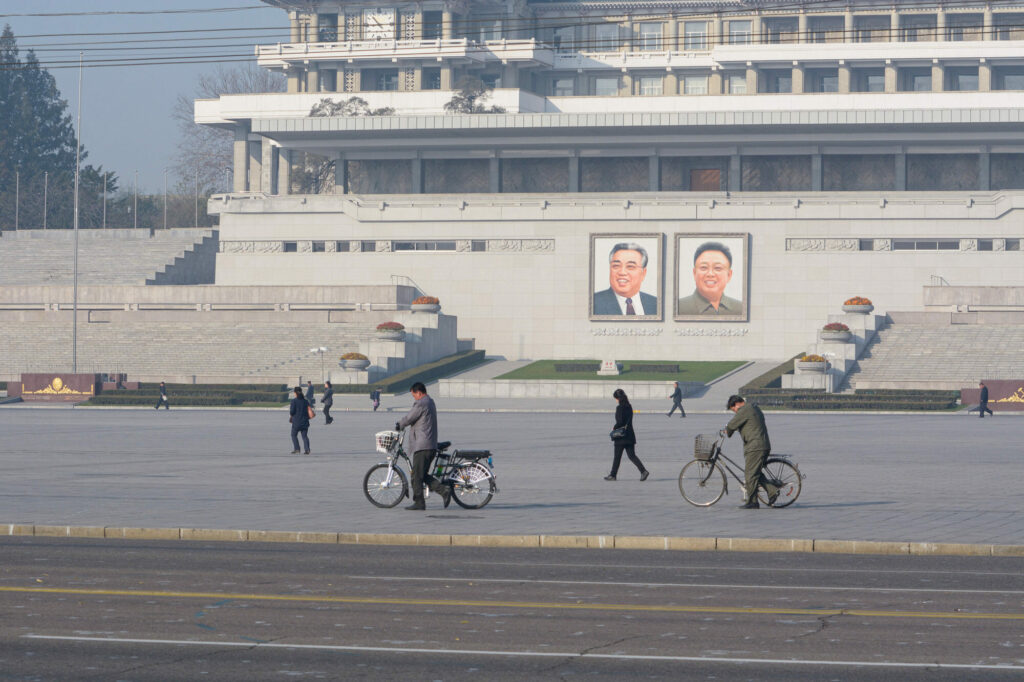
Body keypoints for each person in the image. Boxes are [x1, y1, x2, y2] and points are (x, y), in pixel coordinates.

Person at [396, 382, 451, 510]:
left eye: (414, 395)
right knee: (422, 474)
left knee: (416, 475)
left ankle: (425, 500)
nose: (414, 398)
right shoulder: (430, 402)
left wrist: (400, 424)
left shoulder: (421, 403)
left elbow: (410, 418)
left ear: (419, 393)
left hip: (423, 445)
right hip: (429, 443)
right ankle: (441, 492)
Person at [724, 394, 778, 509]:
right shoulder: (753, 407)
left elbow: (732, 424)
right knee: (755, 472)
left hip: (755, 447)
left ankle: (753, 501)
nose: (734, 412)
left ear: (736, 404)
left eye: (733, 409)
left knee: (750, 474)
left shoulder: (744, 410)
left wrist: (727, 430)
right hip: (763, 445)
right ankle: (771, 492)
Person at [677, 241, 743, 316]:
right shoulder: (679, 308)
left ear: (729, 275)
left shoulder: (741, 309)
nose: (710, 274)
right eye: (704, 267)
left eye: (718, 268)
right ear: (694, 273)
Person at [593, 242, 658, 315]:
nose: (622, 272)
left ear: (643, 273)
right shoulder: (593, 303)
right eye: (616, 266)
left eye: (630, 266)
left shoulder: (656, 304)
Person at [605, 388, 649, 482]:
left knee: (617, 457)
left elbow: (620, 422)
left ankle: (613, 475)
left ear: (618, 398)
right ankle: (643, 471)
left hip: (621, 437)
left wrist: (614, 427)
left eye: (616, 398)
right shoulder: (629, 406)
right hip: (630, 435)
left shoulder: (619, 408)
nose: (616, 400)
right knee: (632, 455)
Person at [289, 386, 311, 455]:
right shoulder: (305, 401)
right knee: (304, 436)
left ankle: (297, 449)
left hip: (296, 422)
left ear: (295, 393)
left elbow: (292, 412)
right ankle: (307, 449)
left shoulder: (294, 401)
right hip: (305, 422)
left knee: (293, 435)